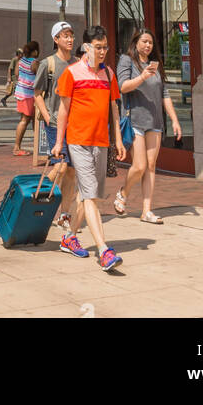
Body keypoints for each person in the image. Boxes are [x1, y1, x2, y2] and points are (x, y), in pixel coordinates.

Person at [53, 25, 126, 271]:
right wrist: (58, 142)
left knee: (87, 195)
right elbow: (63, 110)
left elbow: (114, 110)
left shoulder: (110, 75)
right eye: (98, 47)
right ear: (86, 47)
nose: (103, 51)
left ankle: (69, 237)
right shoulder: (72, 73)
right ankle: (104, 250)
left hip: (101, 142)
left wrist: (118, 140)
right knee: (91, 196)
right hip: (78, 142)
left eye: (105, 47)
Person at [114, 28, 182, 224]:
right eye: (144, 41)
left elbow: (164, 94)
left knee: (151, 166)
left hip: (155, 122)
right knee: (140, 165)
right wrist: (143, 76)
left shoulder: (155, 66)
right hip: (135, 119)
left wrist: (174, 120)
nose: (147, 45)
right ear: (136, 43)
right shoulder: (127, 61)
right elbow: (122, 86)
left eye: (150, 42)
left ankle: (146, 211)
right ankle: (123, 192)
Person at [33, 21, 78, 232]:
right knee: (60, 166)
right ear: (56, 39)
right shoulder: (48, 64)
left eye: (71, 35)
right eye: (64, 35)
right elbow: (37, 94)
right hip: (54, 124)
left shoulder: (78, 64)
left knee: (70, 172)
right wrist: (47, 115)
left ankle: (64, 215)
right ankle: (35, 193)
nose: (69, 39)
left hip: (75, 124)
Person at [13, 40, 40, 156]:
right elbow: (39, 76)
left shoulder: (20, 61)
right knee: (26, 120)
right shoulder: (34, 62)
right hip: (29, 94)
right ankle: (17, 148)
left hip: (20, 93)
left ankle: (37, 146)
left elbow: (17, 74)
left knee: (32, 119)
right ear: (34, 51)